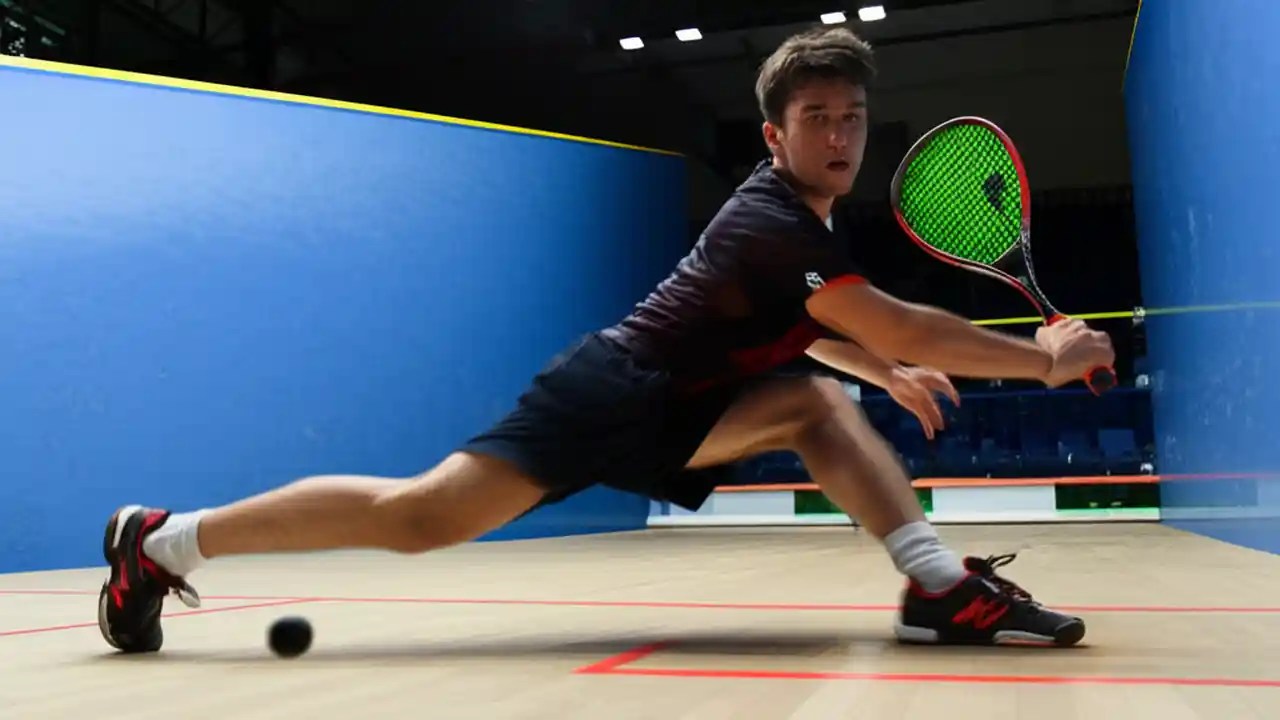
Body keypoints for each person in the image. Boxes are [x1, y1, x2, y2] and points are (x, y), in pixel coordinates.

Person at [98, 25, 1113, 653]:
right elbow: (882, 316)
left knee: (814, 399)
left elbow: (819, 332)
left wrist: (880, 368)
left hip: (680, 406)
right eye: (816, 118)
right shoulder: (769, 220)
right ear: (774, 135)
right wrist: (1036, 357)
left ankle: (937, 588)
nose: (839, 136)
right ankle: (161, 538)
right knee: (418, 518)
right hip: (609, 393)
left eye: (851, 116)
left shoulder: (808, 225)